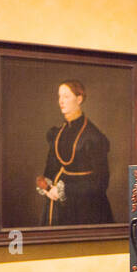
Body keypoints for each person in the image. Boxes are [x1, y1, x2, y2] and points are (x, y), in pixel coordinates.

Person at [38, 80, 114, 226]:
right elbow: (50, 169)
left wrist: (63, 191)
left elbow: (101, 183)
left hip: (87, 205)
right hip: (57, 205)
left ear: (79, 99)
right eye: (59, 96)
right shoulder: (58, 133)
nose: (61, 101)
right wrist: (47, 187)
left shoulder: (93, 136)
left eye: (66, 96)